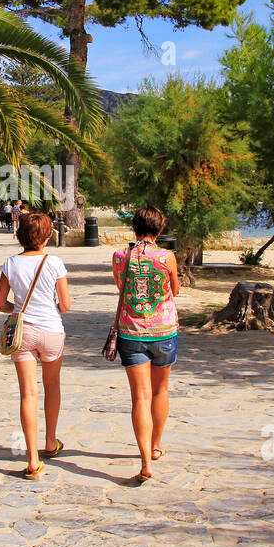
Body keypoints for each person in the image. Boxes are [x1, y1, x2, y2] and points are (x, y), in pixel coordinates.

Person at [0, 212, 71, 479]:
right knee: (52, 387)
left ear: (20, 235)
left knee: (28, 393)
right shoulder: (55, 262)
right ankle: (50, 442)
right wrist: (51, 307)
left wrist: (18, 309)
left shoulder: (11, 263)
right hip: (51, 331)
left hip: (23, 333)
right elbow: (66, 304)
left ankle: (32, 459)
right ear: (47, 235)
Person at [111, 206, 182, 483]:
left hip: (131, 332)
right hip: (164, 331)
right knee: (160, 390)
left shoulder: (121, 257)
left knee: (140, 397)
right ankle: (155, 446)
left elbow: (121, 287)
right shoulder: (167, 257)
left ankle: (143, 461)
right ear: (160, 229)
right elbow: (174, 290)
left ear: (134, 227)